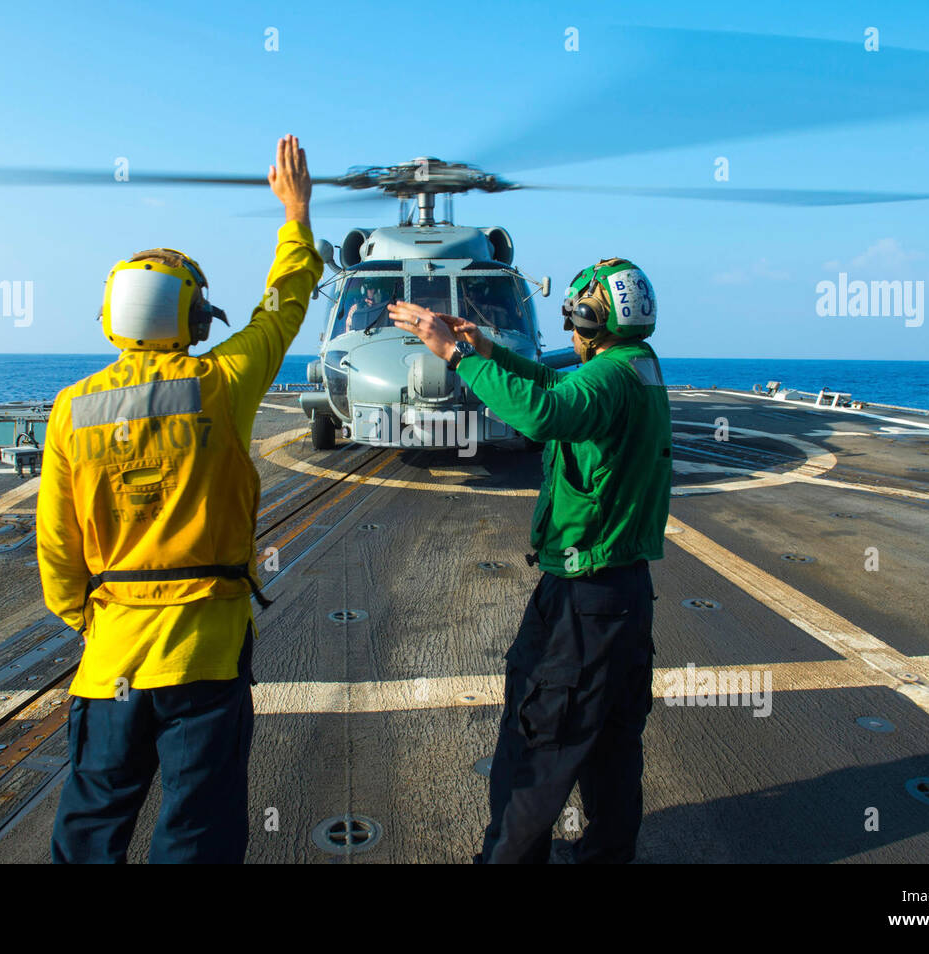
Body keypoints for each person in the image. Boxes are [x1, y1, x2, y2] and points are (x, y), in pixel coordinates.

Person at [37, 135, 320, 864]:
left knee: (90, 832)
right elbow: (284, 308)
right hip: (204, 659)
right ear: (194, 320)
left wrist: (91, 622)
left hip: (110, 665)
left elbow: (58, 552)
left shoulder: (71, 410)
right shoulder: (221, 384)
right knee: (196, 838)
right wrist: (296, 215)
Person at [388, 257, 672, 864]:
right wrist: (487, 345)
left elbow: (544, 413)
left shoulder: (609, 378)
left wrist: (459, 358)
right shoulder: (635, 367)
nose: (571, 326)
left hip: (584, 596)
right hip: (623, 593)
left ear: (592, 320)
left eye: (575, 315)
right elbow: (555, 389)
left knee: (539, 742)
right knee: (612, 743)